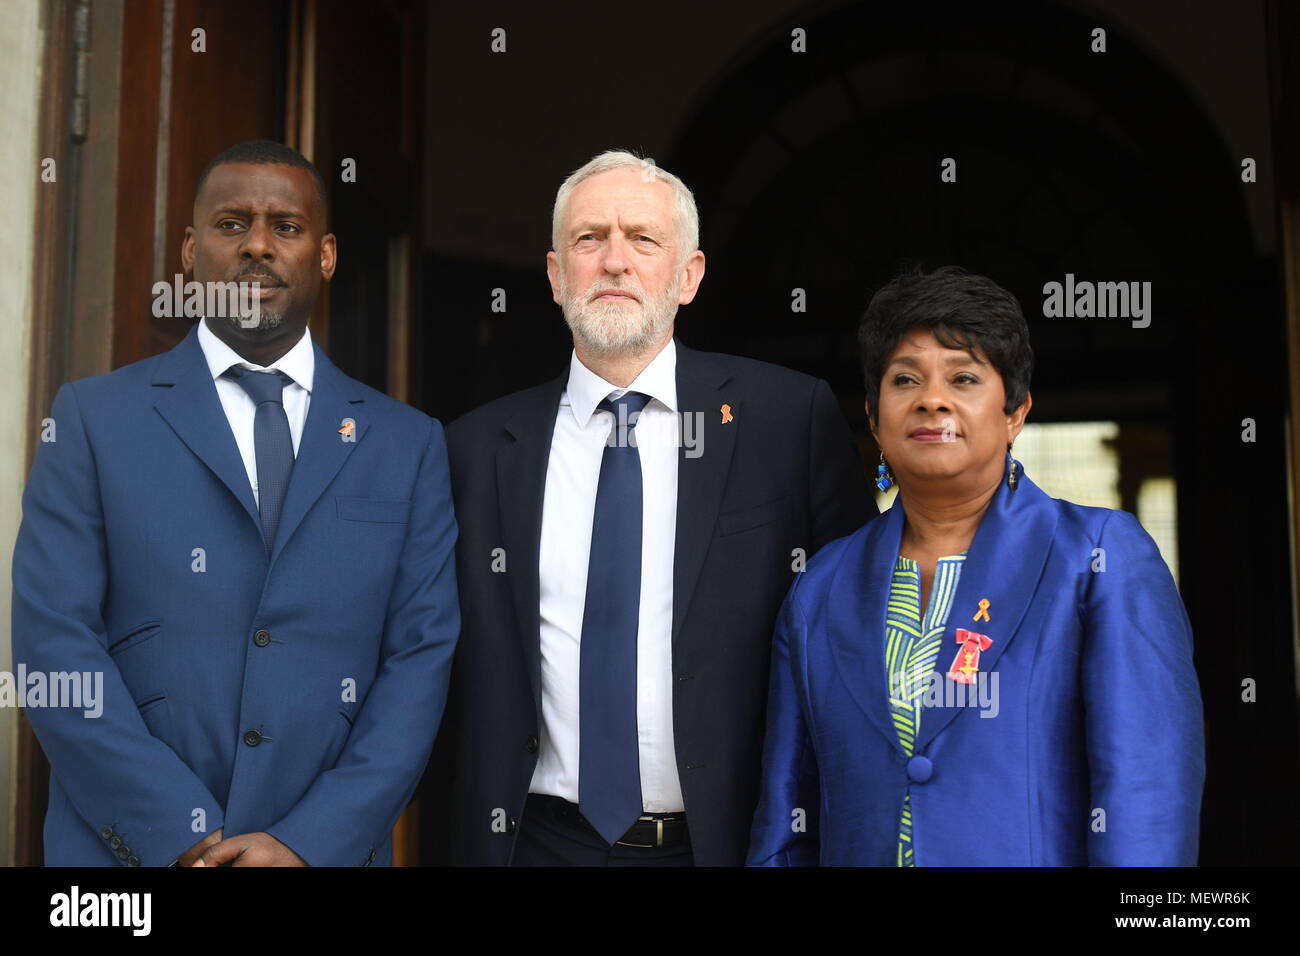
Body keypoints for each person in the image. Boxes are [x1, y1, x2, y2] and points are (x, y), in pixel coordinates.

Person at [11, 140, 459, 866]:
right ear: (189, 251)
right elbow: (54, 645)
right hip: (124, 861)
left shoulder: (406, 445)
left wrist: (308, 842)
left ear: (327, 254)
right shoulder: (93, 421)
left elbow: (420, 662)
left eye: (286, 227)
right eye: (230, 224)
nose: (257, 245)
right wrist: (176, 833)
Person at [436, 149, 874, 866]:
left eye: (642, 239)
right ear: (554, 276)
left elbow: (851, 639)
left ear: (689, 275)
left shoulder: (787, 421)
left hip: (725, 844)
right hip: (531, 844)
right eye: (589, 239)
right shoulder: (473, 449)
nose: (614, 261)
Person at [747, 265, 1205, 866]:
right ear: (874, 415)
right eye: (904, 379)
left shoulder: (1096, 558)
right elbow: (787, 819)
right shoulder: (821, 589)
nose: (931, 399)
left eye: (963, 377)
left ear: (1015, 413)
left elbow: (1145, 794)